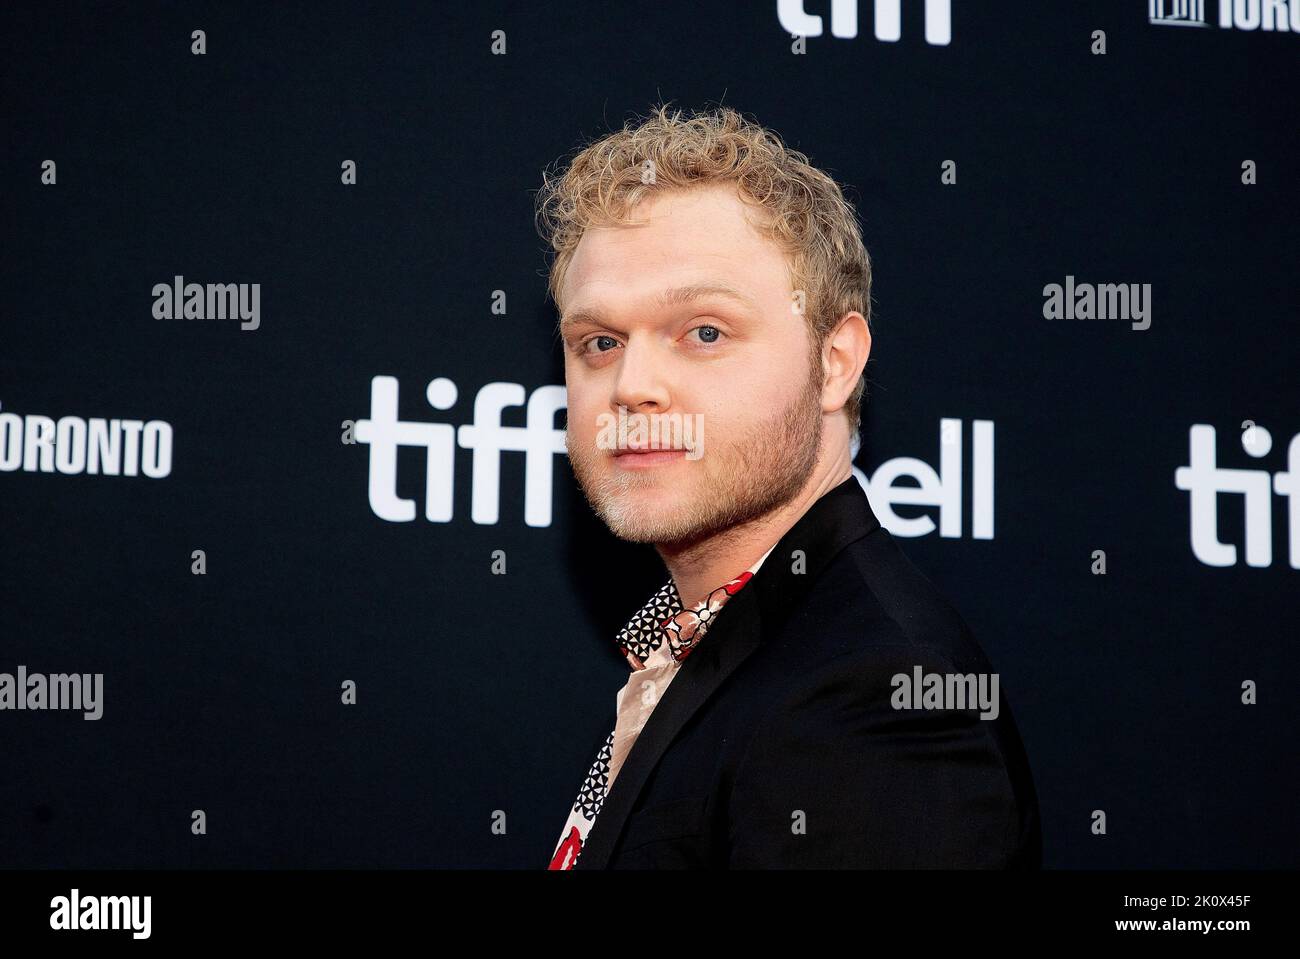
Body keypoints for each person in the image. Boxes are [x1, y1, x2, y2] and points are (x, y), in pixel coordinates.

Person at [537, 104, 1041, 869]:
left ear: (835, 362)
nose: (633, 385)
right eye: (599, 342)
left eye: (704, 331)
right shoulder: (727, 645)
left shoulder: (879, 700)